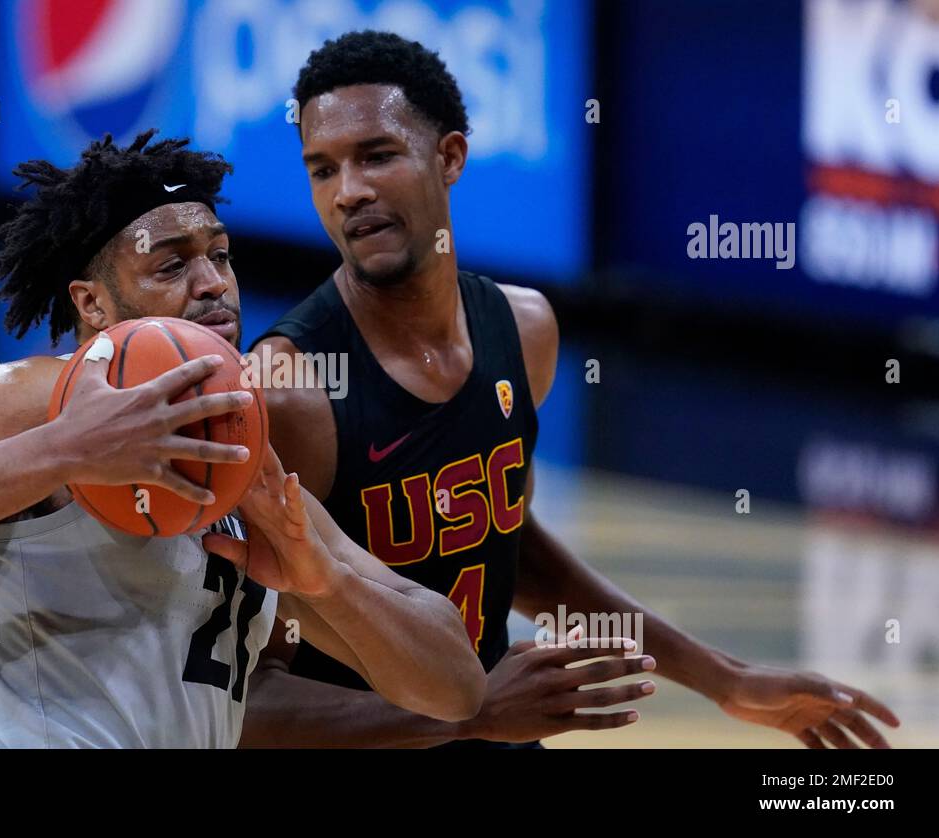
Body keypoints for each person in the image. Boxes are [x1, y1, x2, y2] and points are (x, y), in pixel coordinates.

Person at [242, 31, 900, 749]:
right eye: (322, 169)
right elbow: (248, 700)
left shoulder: (524, 329)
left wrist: (725, 679)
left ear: (451, 157)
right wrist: (461, 715)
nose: (350, 192)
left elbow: (504, 544)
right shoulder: (288, 390)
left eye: (377, 155)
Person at [0, 130, 485, 748]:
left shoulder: (240, 438)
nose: (214, 285)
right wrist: (63, 450)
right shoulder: (30, 400)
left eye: (220, 256)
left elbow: (454, 687)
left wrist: (322, 582)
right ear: (92, 302)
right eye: (172, 265)